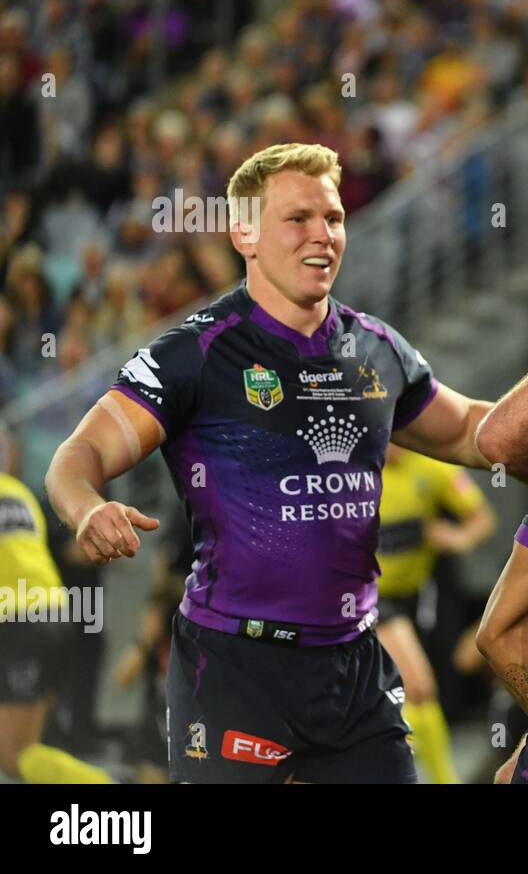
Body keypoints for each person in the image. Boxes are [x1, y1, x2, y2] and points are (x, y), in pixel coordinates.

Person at [45, 143, 496, 784]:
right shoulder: (195, 351)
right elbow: (78, 454)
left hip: (353, 667)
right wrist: (87, 507)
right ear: (244, 232)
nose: (324, 235)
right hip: (234, 671)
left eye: (334, 218)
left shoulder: (376, 348)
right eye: (298, 218)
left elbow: (480, 432)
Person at [375, 443, 495, 783]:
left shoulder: (432, 466)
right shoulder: (353, 471)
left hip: (412, 598)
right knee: (417, 687)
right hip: (364, 597)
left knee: (406, 695)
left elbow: (482, 520)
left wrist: (458, 538)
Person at [0, 422, 113, 784]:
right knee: (25, 747)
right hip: (58, 613)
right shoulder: (18, 492)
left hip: (19, 622)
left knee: (15, 755)